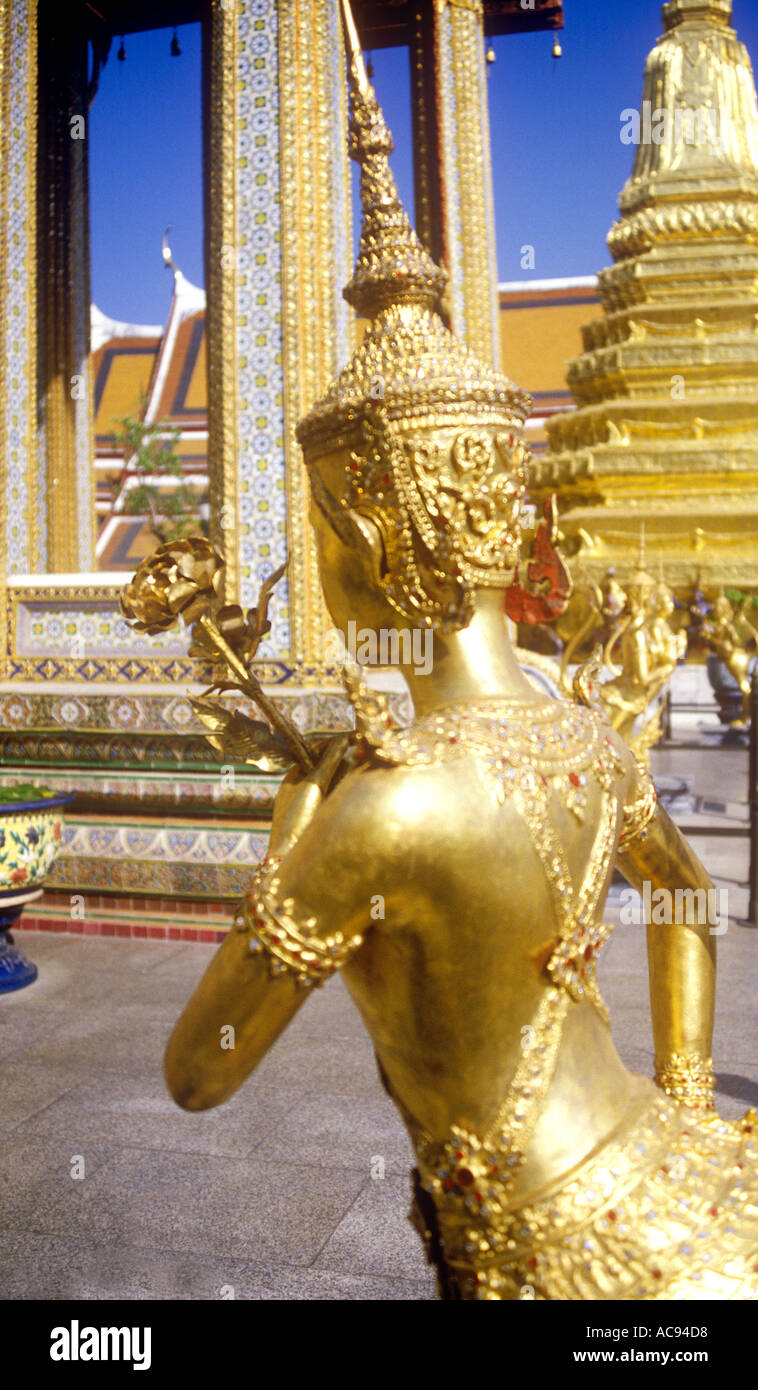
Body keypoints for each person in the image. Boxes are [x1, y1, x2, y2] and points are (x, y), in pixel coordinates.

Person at [164, 7, 757, 1299]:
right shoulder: (587, 725)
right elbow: (685, 899)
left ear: (370, 530)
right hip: (683, 1185)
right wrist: (686, 1101)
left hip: (558, 1260)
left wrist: (292, 832)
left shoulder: (386, 804)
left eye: (322, 531)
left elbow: (199, 1068)